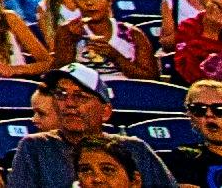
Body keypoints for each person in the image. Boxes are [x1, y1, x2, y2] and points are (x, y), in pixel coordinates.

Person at [9, 72, 177, 188]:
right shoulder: (35, 146)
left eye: (80, 96)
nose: (69, 103)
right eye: (61, 95)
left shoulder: (134, 148)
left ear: (105, 112)